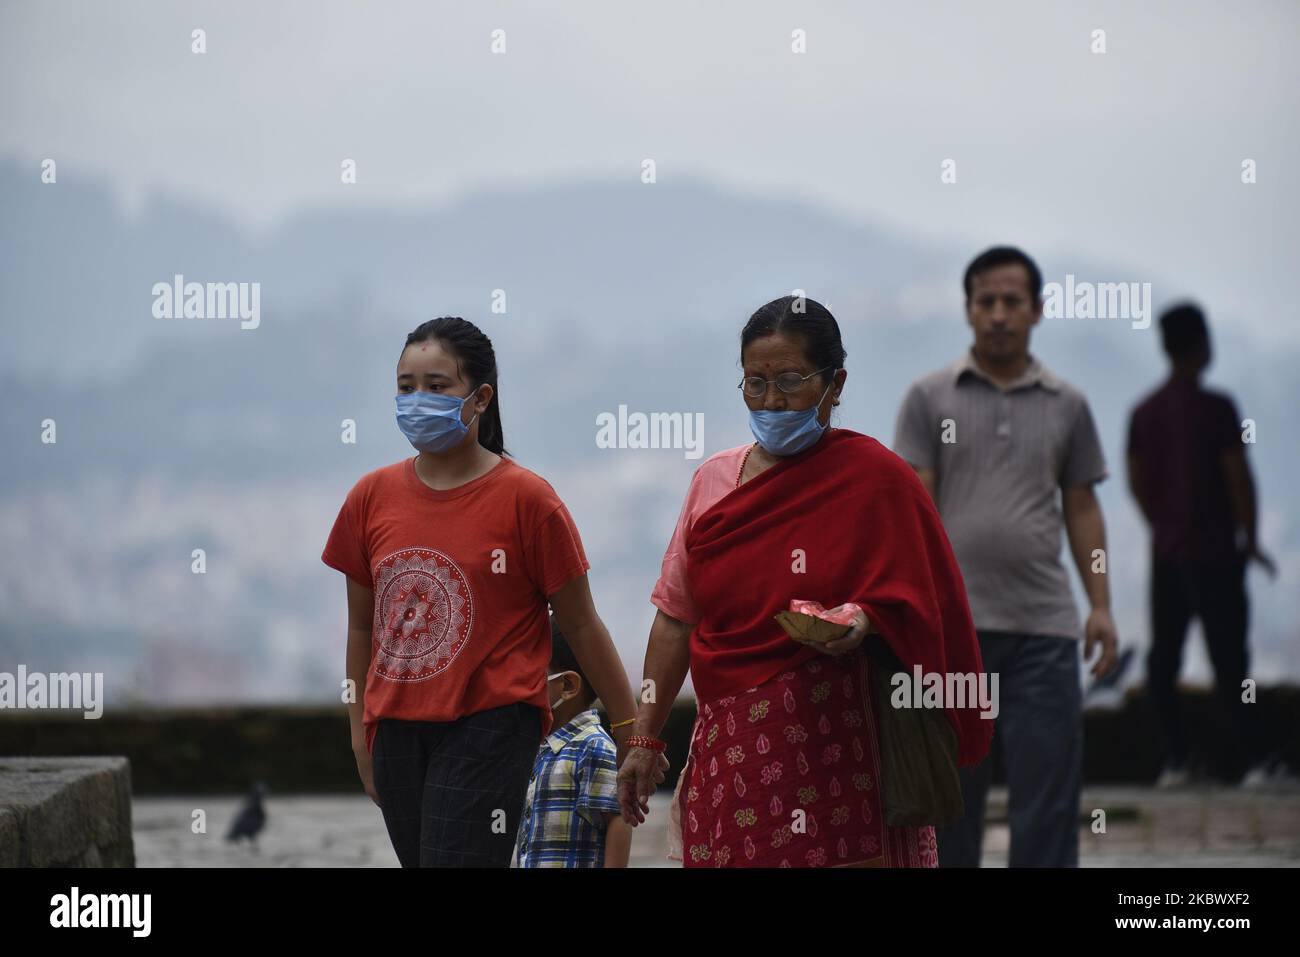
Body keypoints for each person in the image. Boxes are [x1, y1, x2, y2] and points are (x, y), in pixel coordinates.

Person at [618, 295, 992, 868]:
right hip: (734, 753)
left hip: (840, 753)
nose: (771, 401)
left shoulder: (877, 480)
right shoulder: (714, 482)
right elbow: (675, 617)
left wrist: (862, 620)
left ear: (834, 383)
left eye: (790, 381)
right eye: (754, 384)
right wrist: (646, 738)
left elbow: (925, 601)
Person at [321, 316, 640, 867]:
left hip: (491, 725)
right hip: (395, 729)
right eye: (406, 387)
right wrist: (359, 732)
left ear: (481, 397)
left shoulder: (528, 501)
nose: (418, 399)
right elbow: (360, 627)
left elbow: (583, 624)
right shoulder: (369, 498)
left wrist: (632, 728)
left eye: (437, 386)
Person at [893, 246, 1118, 867]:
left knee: (1046, 802)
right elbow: (914, 514)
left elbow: (1082, 508)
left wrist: (1099, 605)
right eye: (985, 301)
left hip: (1044, 628)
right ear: (967, 309)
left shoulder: (1066, 404)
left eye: (1011, 302)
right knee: (952, 804)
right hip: (953, 634)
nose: (998, 314)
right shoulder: (929, 398)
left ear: (1037, 311)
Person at [1126, 303, 1277, 787]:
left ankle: (1177, 760)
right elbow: (1239, 479)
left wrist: (1163, 525)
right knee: (1232, 662)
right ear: (1201, 344)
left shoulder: (1144, 413)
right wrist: (1249, 540)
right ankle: (1255, 761)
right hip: (1215, 554)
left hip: (1167, 555)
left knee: (1163, 662)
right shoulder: (1218, 408)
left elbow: (1136, 482)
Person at [514, 616, 633, 867]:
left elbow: (618, 818)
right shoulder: (536, 748)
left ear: (567, 684)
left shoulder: (592, 746)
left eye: (527, 673)